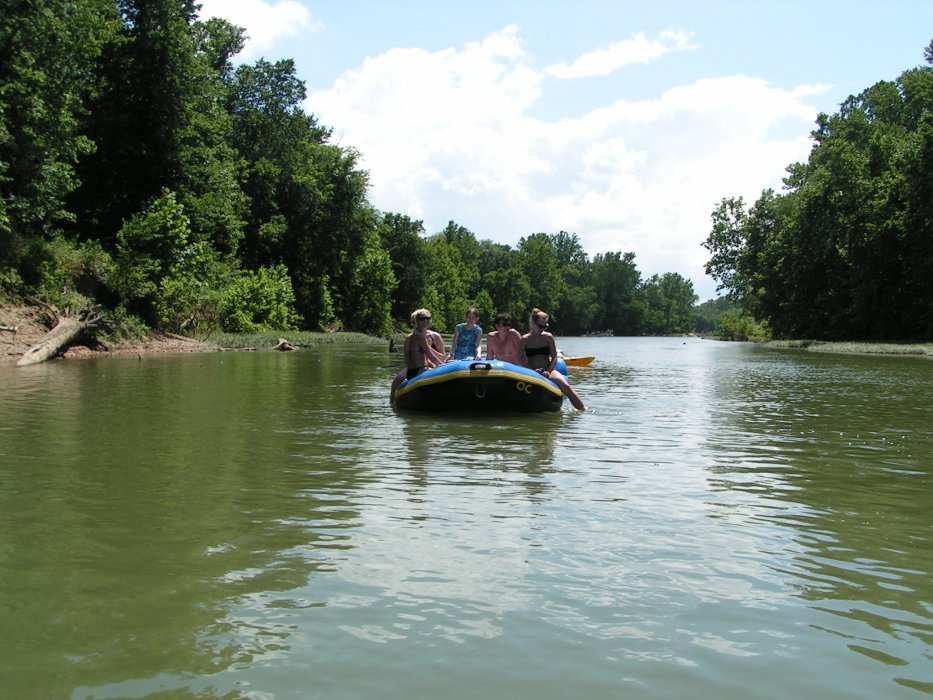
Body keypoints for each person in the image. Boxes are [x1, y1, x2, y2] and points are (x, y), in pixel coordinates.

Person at [520, 308, 587, 411]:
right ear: (533, 323)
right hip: (532, 371)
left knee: (566, 386)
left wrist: (549, 370)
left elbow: (554, 356)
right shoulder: (524, 339)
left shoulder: (548, 337)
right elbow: (519, 359)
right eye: (541, 326)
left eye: (545, 326)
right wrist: (531, 371)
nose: (543, 328)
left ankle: (583, 409)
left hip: (548, 369)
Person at [390, 309, 445, 402]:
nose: (425, 321)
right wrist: (444, 367)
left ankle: (392, 402)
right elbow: (431, 357)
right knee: (398, 378)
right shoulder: (417, 337)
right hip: (419, 370)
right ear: (416, 321)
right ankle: (393, 400)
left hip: (413, 371)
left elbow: (437, 358)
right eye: (422, 319)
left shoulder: (430, 336)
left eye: (428, 318)